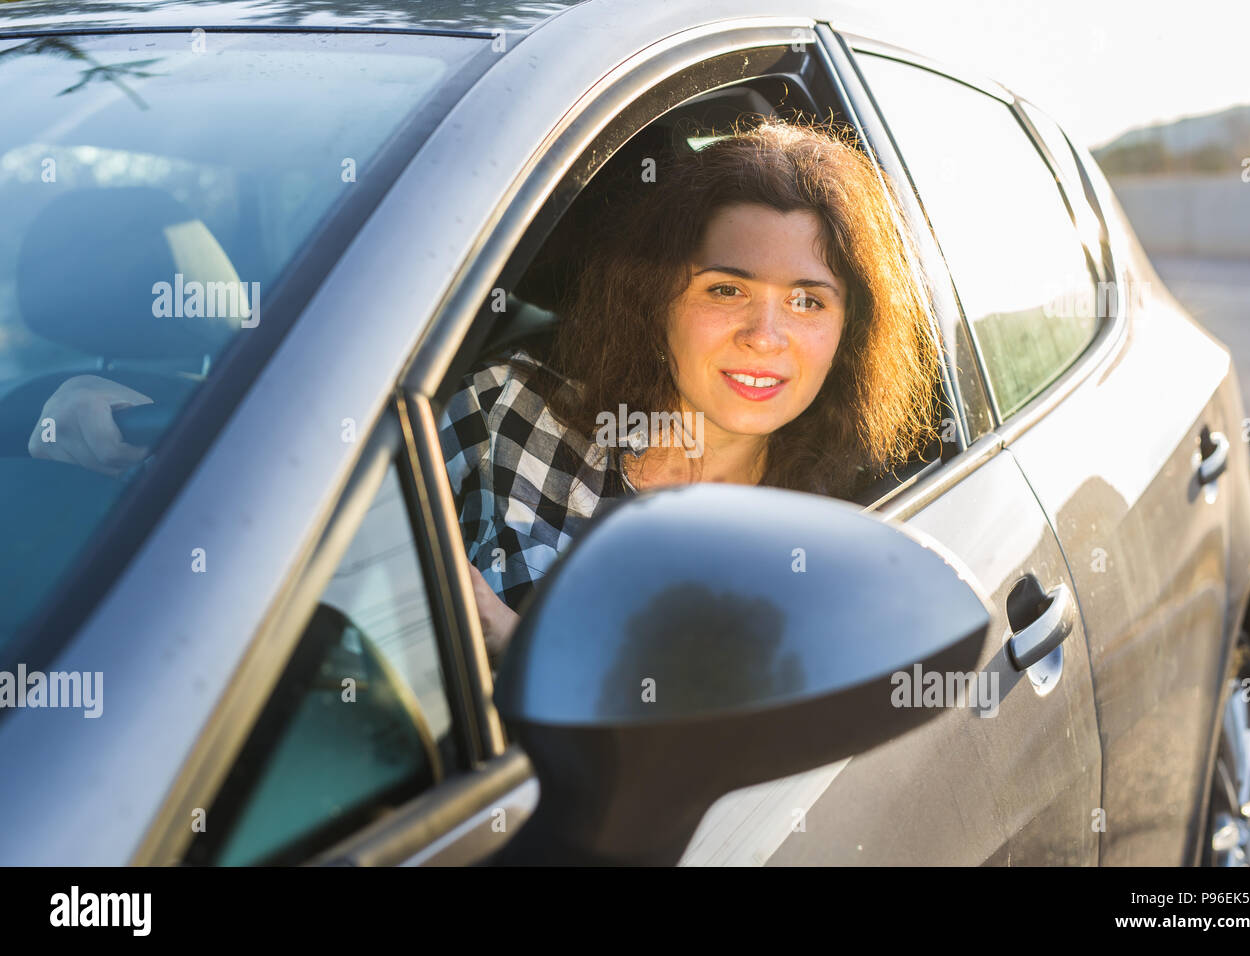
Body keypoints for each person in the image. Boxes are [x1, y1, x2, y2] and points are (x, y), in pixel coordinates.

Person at [29, 118, 941, 663]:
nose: (765, 336)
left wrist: (507, 637)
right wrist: (143, 442)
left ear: (846, 330)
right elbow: (322, 492)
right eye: (726, 288)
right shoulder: (517, 407)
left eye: (808, 301)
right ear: (660, 297)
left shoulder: (843, 527)